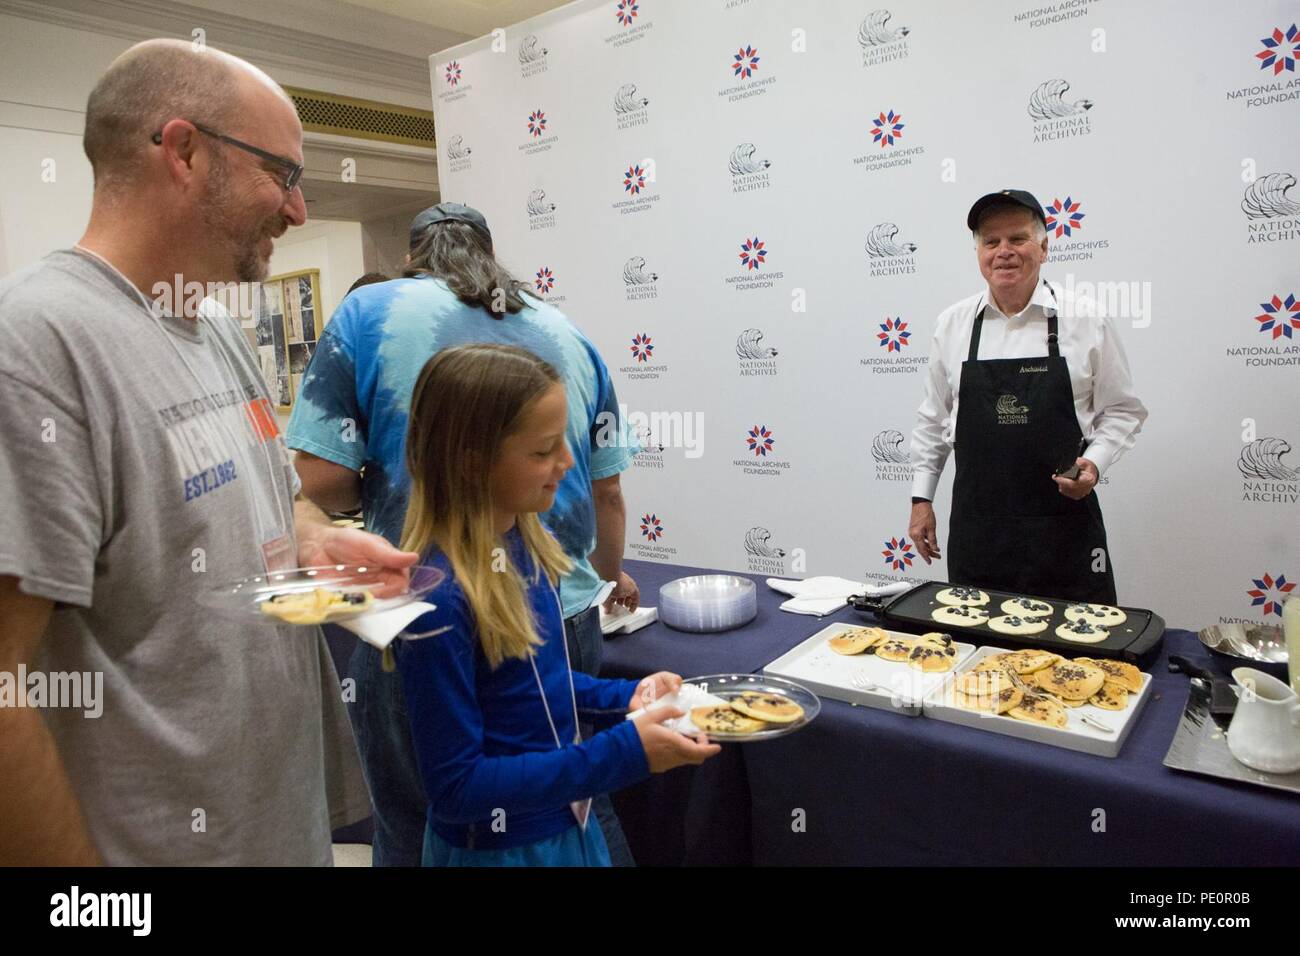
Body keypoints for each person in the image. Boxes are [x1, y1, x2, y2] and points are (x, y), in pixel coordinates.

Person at [0, 39, 416, 865]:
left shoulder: (216, 328)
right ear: (184, 150)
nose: (297, 211)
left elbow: (270, 488)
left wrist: (313, 539)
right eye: (284, 175)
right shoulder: (39, 347)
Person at [286, 202, 642, 865]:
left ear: (414, 256)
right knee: (566, 792)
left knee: (410, 812)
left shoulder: (369, 315)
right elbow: (607, 487)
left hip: (433, 598)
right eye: (543, 452)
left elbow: (320, 478)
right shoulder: (564, 327)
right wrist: (611, 574)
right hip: (547, 610)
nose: (559, 465)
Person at [394, 343, 717, 865]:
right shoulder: (439, 600)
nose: (567, 463)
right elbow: (456, 787)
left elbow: (530, 687)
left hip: (564, 829)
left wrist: (626, 697)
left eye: (563, 443)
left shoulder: (524, 545)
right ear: (473, 463)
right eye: (543, 451)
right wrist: (624, 751)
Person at [907, 189, 1148, 603]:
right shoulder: (952, 325)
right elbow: (933, 420)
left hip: (1064, 530)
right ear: (979, 253)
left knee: (1078, 656)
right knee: (978, 655)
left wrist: (1094, 462)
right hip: (978, 531)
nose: (1004, 252)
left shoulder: (1086, 319)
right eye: (991, 241)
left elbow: (1123, 411)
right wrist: (921, 498)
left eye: (1017, 239)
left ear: (1044, 246)